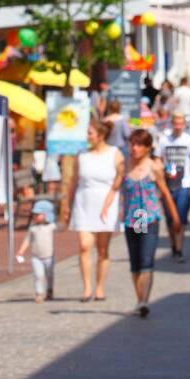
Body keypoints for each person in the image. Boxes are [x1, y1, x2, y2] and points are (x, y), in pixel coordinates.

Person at [61, 118, 124, 302]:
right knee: (84, 245)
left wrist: (114, 200)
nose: (87, 136)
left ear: (101, 135)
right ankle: (87, 287)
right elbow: (73, 182)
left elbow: (120, 177)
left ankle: (100, 287)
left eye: (90, 133)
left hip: (105, 203)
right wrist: (67, 204)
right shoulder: (82, 155)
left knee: (103, 249)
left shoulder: (114, 153)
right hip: (84, 202)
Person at [120, 130, 180, 317]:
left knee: (147, 260)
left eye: (138, 145)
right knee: (135, 263)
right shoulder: (125, 167)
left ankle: (144, 300)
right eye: (132, 144)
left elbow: (165, 192)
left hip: (149, 219)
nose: (134, 148)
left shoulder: (154, 167)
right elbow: (117, 189)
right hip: (132, 220)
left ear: (147, 148)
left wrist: (175, 217)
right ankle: (140, 299)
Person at [157, 111, 190, 262]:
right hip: (168, 184)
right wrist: (159, 177)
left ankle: (179, 249)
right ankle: (173, 244)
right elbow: (158, 160)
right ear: (172, 124)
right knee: (170, 219)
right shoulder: (164, 140)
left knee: (181, 218)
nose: (178, 126)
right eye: (175, 123)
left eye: (180, 123)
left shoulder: (189, 140)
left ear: (184, 124)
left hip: (184, 184)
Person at [16, 202, 56, 303]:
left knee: (49, 275)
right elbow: (27, 240)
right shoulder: (32, 228)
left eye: (38, 214)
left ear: (46, 215)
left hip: (49, 256)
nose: (35, 216)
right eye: (35, 214)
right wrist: (21, 250)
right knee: (38, 275)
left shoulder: (51, 226)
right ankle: (39, 293)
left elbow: (63, 227)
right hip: (36, 256)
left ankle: (49, 290)